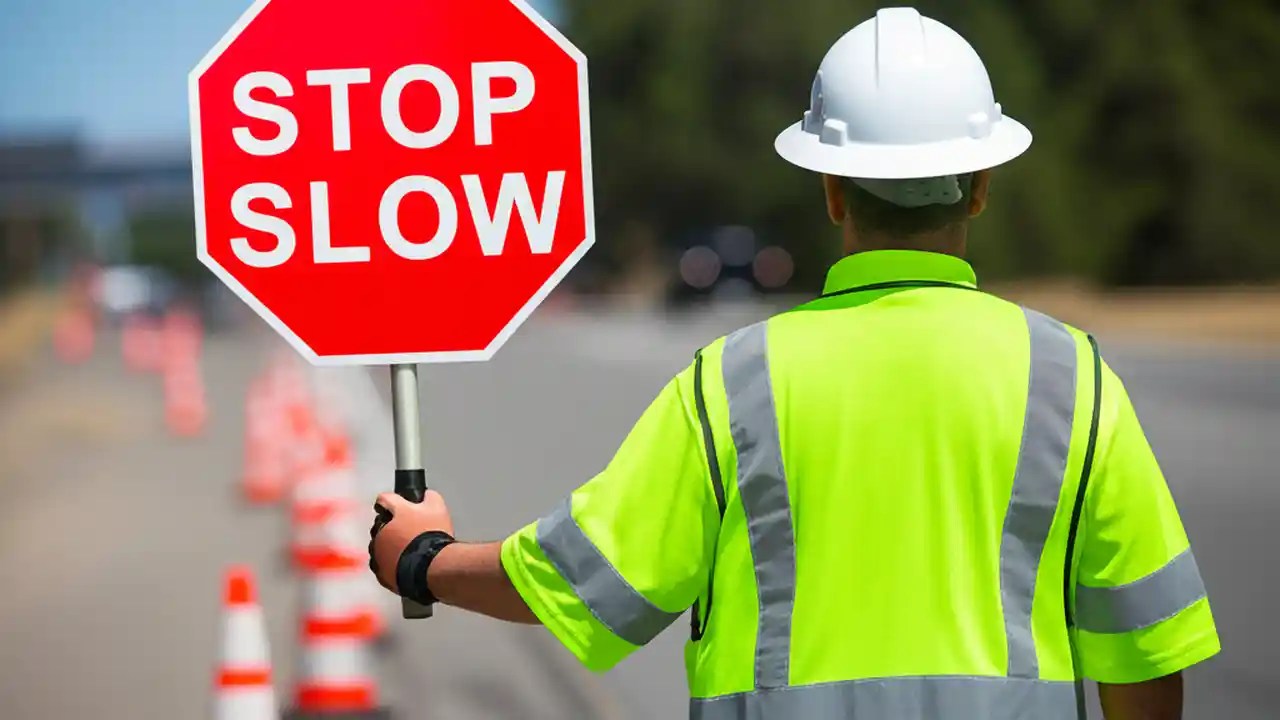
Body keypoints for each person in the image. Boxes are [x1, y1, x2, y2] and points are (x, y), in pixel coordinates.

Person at [369, 8, 1220, 719]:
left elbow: (581, 584)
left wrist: (423, 557)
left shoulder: (732, 383)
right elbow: (1148, 648)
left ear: (832, 188)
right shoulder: (1072, 379)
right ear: (982, 183)